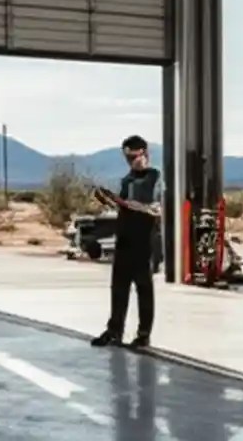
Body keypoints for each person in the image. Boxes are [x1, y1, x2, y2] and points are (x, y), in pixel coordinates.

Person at [91, 135, 162, 349]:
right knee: (119, 287)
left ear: (143, 153)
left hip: (144, 238)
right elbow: (125, 206)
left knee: (143, 287)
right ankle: (114, 330)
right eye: (127, 158)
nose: (130, 162)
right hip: (125, 238)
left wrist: (125, 202)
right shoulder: (127, 179)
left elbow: (153, 208)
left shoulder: (155, 177)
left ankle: (143, 335)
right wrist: (112, 201)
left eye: (133, 156)